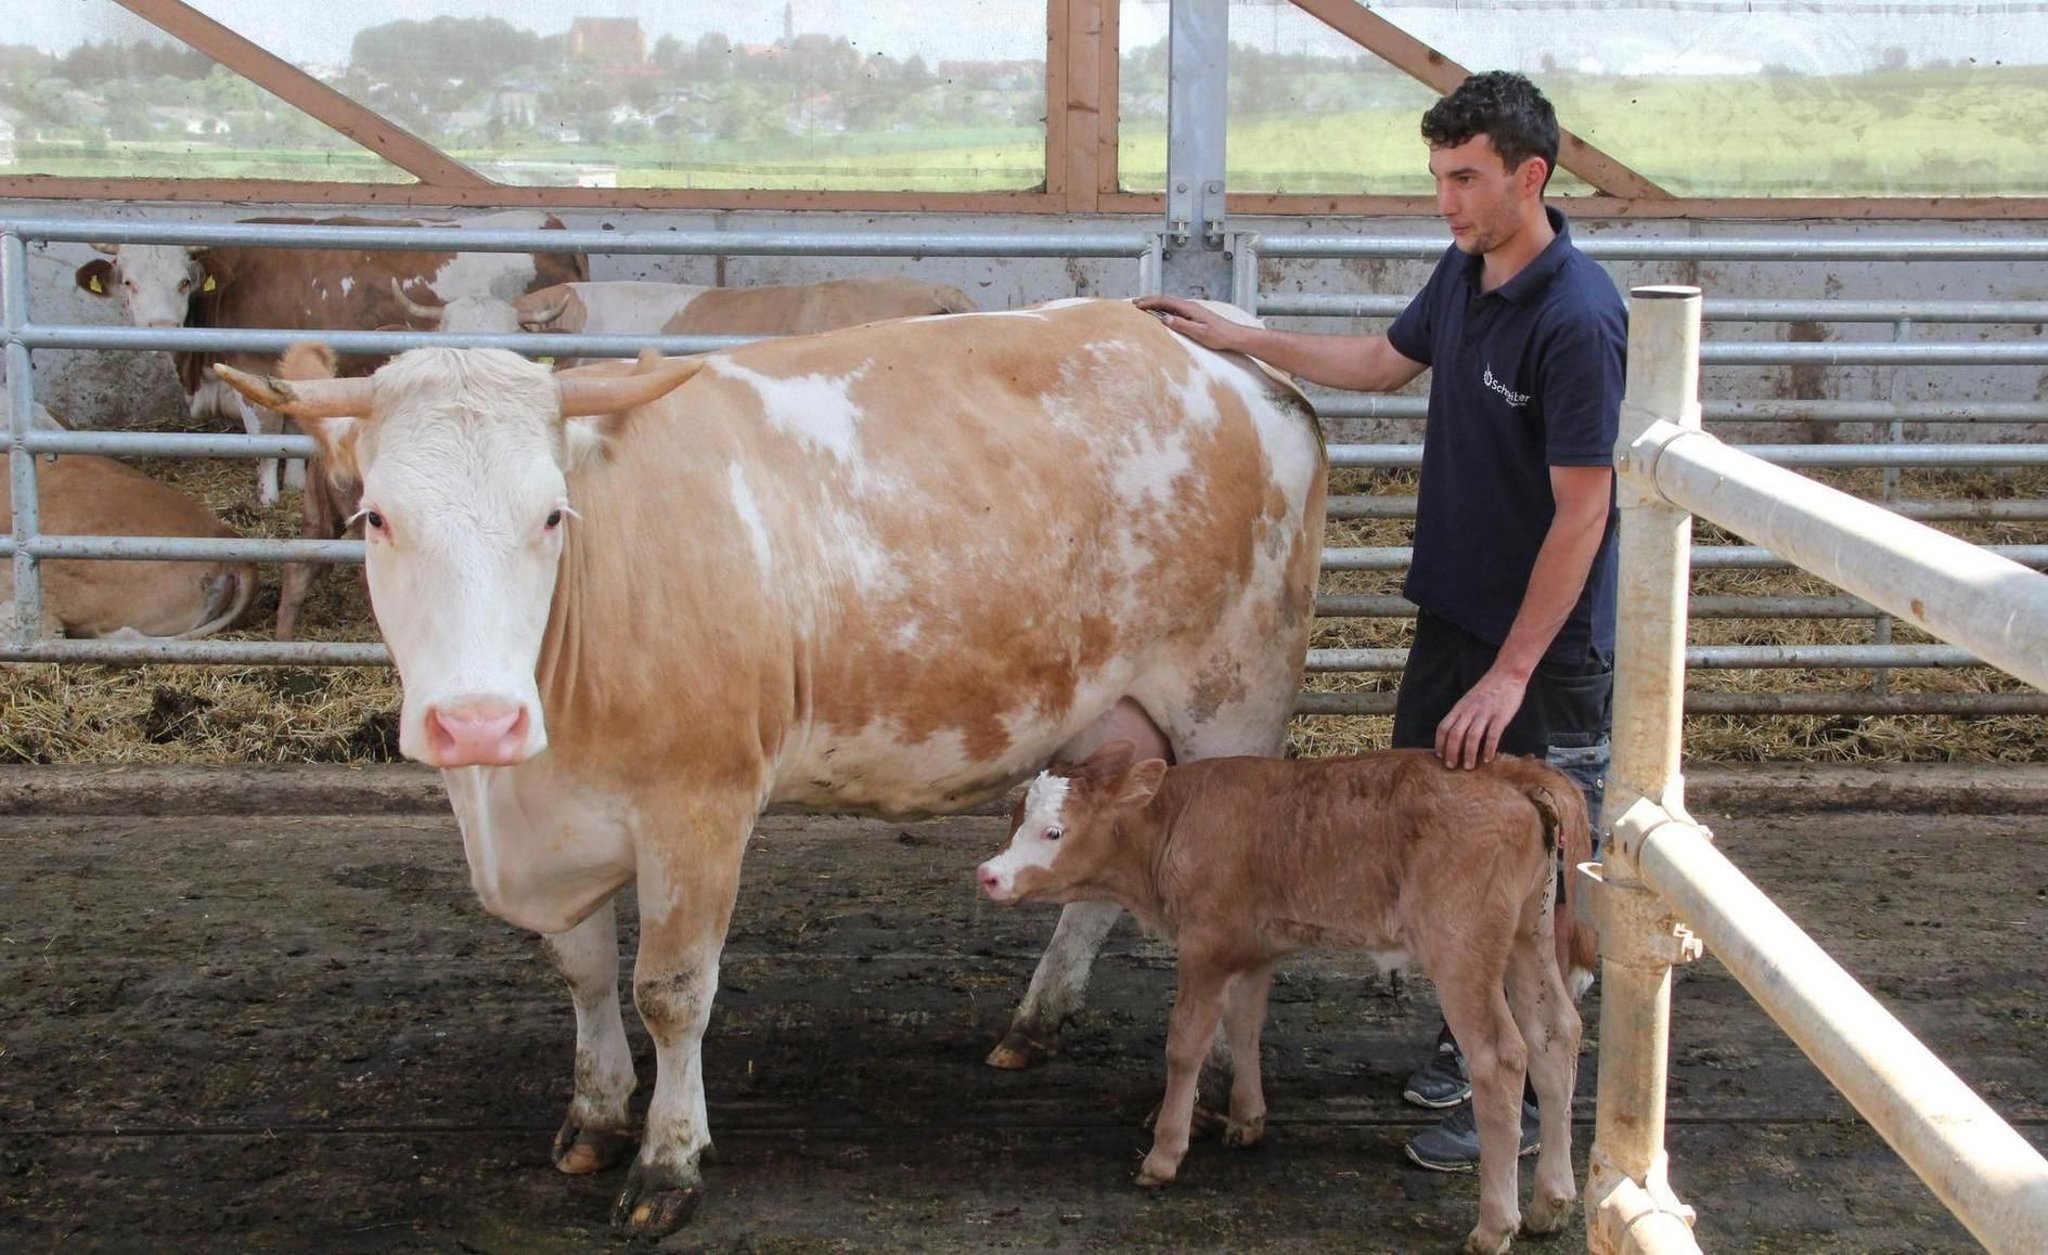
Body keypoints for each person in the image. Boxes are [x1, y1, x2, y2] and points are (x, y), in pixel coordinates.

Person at [1135, 69, 1624, 1172]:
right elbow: (1379, 361)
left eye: (1464, 178)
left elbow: (1584, 508)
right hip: (1453, 622)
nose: (1443, 201)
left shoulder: (1576, 317)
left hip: (1536, 655)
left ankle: (1532, 1106)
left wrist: (1508, 676)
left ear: (1528, 176)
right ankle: (1469, 1048)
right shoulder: (1462, 275)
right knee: (1446, 855)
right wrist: (1243, 337)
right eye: (1436, 177)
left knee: (1535, 862)